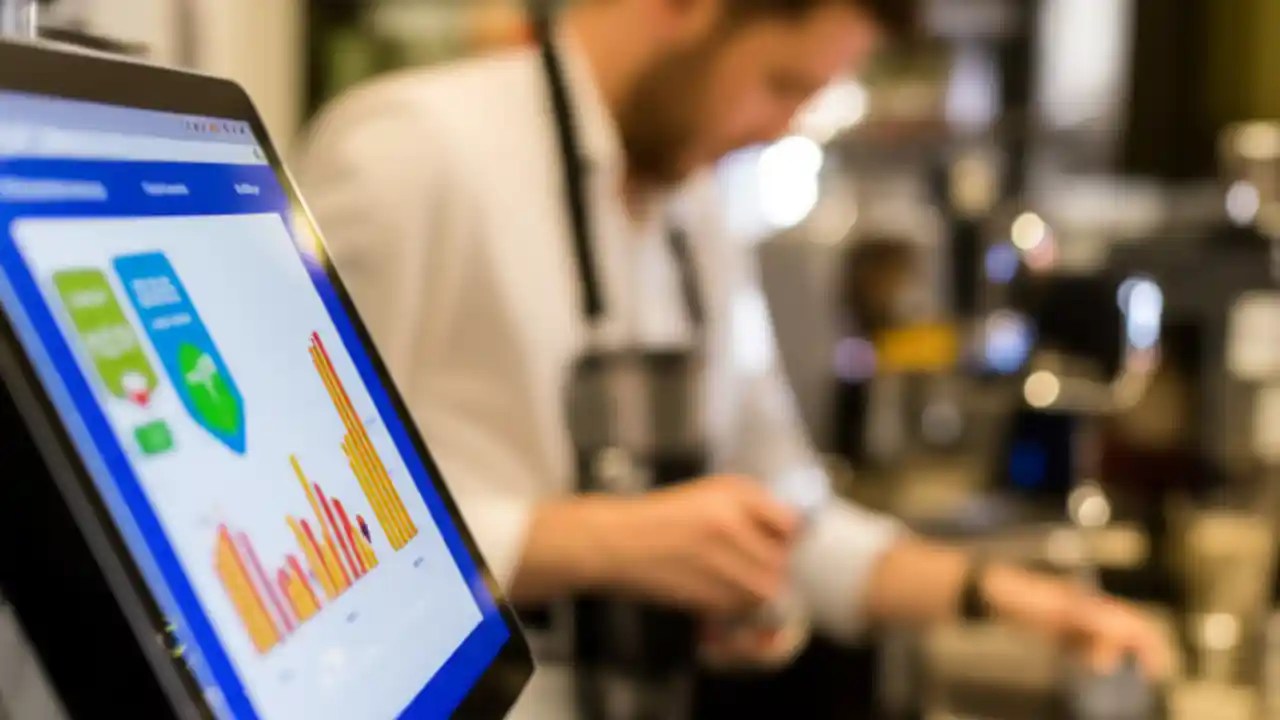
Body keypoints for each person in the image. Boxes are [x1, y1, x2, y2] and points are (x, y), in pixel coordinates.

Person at [295, 1, 1170, 717]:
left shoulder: (693, 205)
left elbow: (790, 515)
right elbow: (295, 522)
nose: (779, 128)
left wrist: (1012, 599)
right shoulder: (409, 151)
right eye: (780, 84)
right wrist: (610, 543)